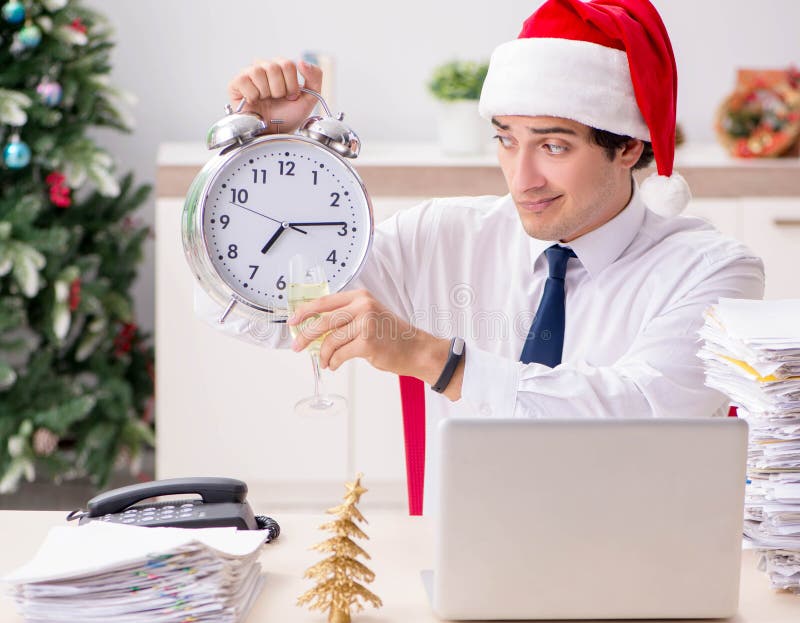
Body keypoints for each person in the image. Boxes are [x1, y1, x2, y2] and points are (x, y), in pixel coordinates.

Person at [226, 0, 764, 513]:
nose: (521, 179)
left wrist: (436, 358)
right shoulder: (440, 235)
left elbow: (640, 415)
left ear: (627, 146)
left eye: (553, 146)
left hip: (636, 561)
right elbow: (260, 313)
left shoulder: (712, 271)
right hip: (460, 559)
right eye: (506, 140)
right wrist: (267, 152)